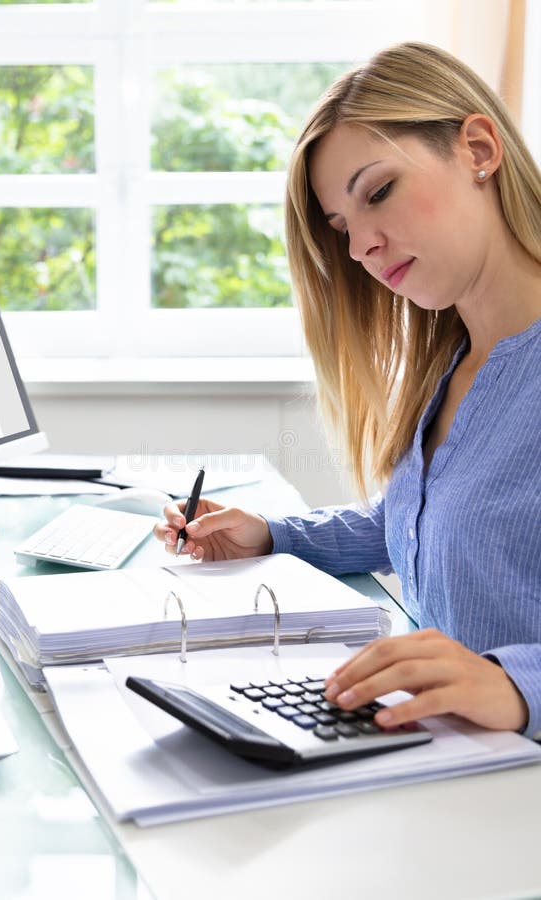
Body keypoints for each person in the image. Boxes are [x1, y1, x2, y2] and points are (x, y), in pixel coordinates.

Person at [154, 42, 541, 740]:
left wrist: (517, 684)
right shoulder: (454, 361)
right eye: (342, 228)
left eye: (379, 191)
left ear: (479, 149)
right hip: (453, 763)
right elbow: (427, 520)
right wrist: (272, 534)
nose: (362, 246)